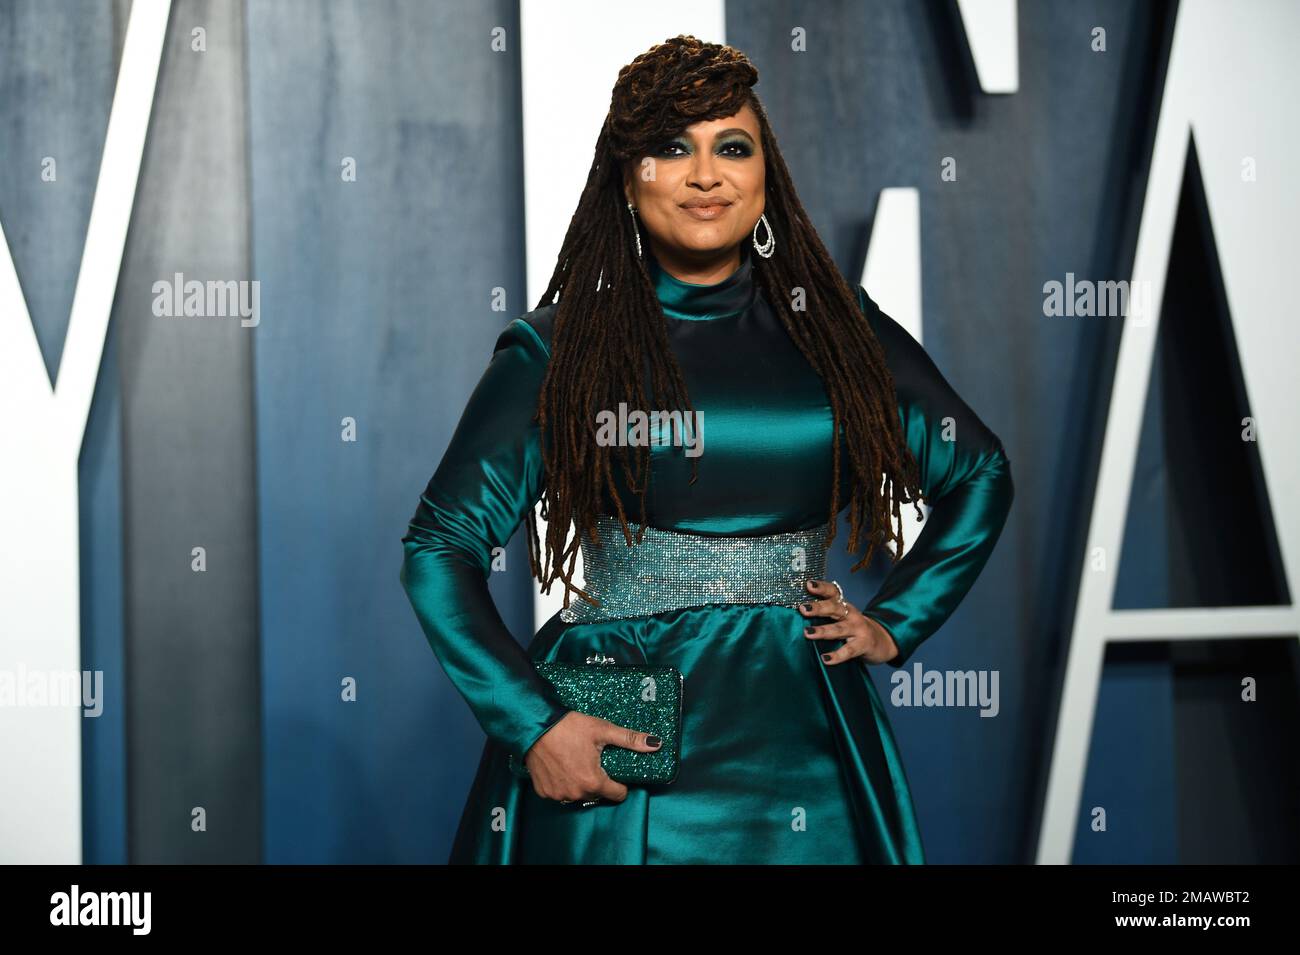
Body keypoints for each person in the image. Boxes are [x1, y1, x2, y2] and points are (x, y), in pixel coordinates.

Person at [400, 35, 1013, 864]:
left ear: (766, 175)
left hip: (806, 739)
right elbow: (439, 547)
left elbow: (978, 471)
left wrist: (896, 623)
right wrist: (534, 724)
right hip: (627, 743)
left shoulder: (838, 330)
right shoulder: (559, 348)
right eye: (670, 148)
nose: (705, 174)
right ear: (627, 176)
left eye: (732, 146)